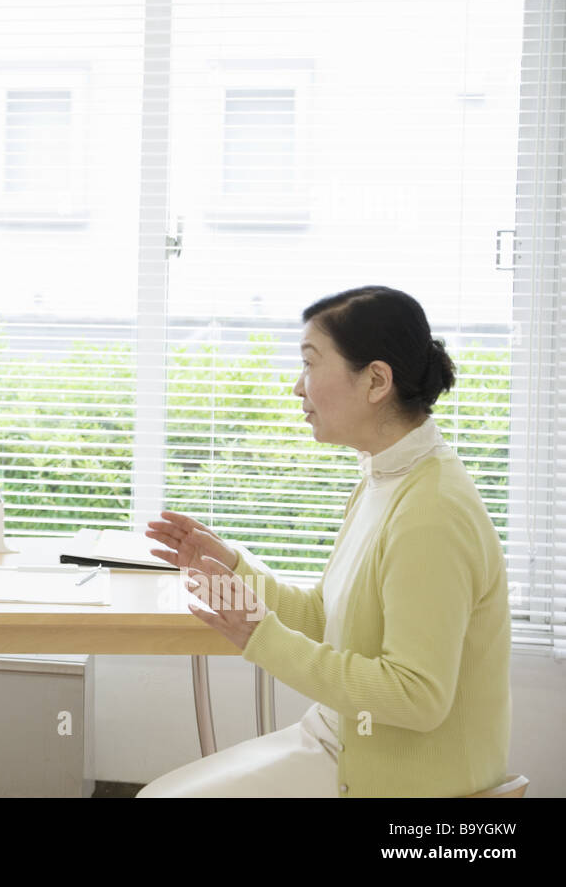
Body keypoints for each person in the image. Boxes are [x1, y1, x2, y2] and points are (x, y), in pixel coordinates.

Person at [139, 285, 510, 797]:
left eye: (310, 364)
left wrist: (258, 636)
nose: (297, 387)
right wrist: (232, 572)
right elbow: (326, 619)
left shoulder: (433, 511)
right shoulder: (383, 480)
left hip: (396, 776)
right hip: (342, 739)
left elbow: (417, 697)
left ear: (376, 380)